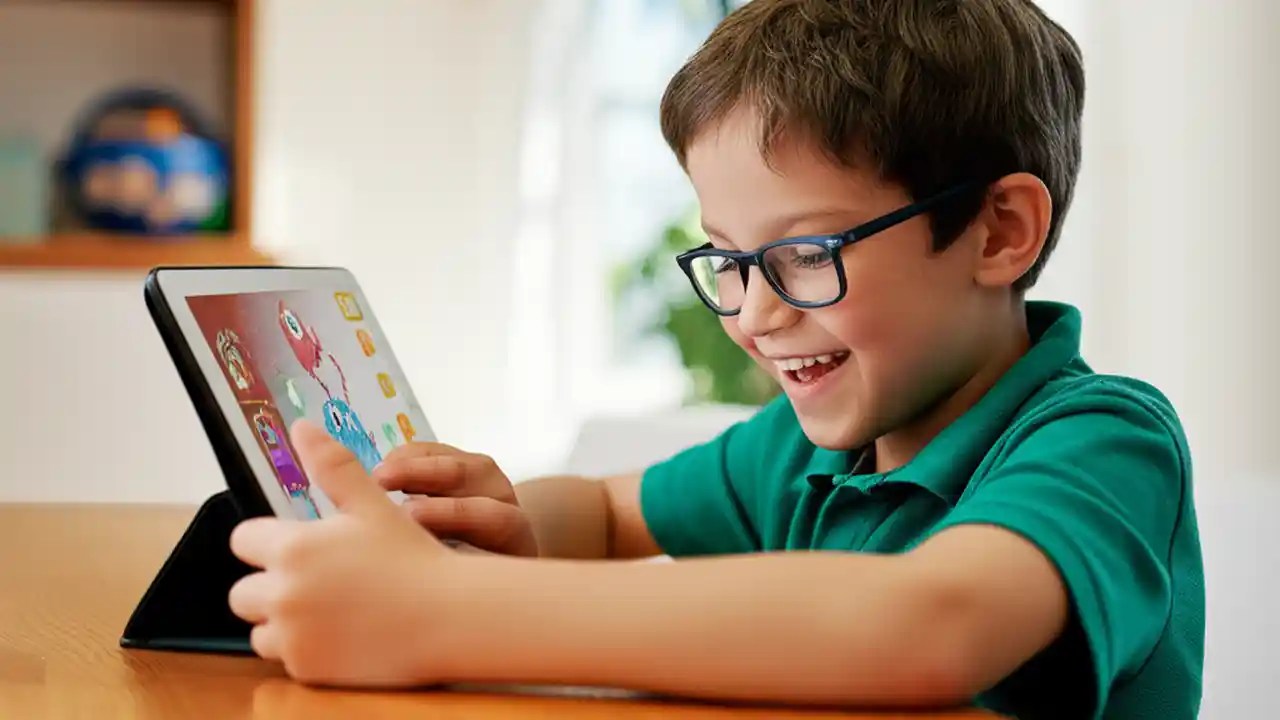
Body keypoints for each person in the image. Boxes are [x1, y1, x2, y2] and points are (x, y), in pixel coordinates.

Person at [227, 2, 1204, 717]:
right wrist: (493, 521)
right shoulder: (807, 454)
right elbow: (608, 512)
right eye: (729, 262)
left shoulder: (1104, 442)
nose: (751, 315)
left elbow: (922, 625)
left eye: (805, 253)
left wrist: (446, 611)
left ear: (998, 232)